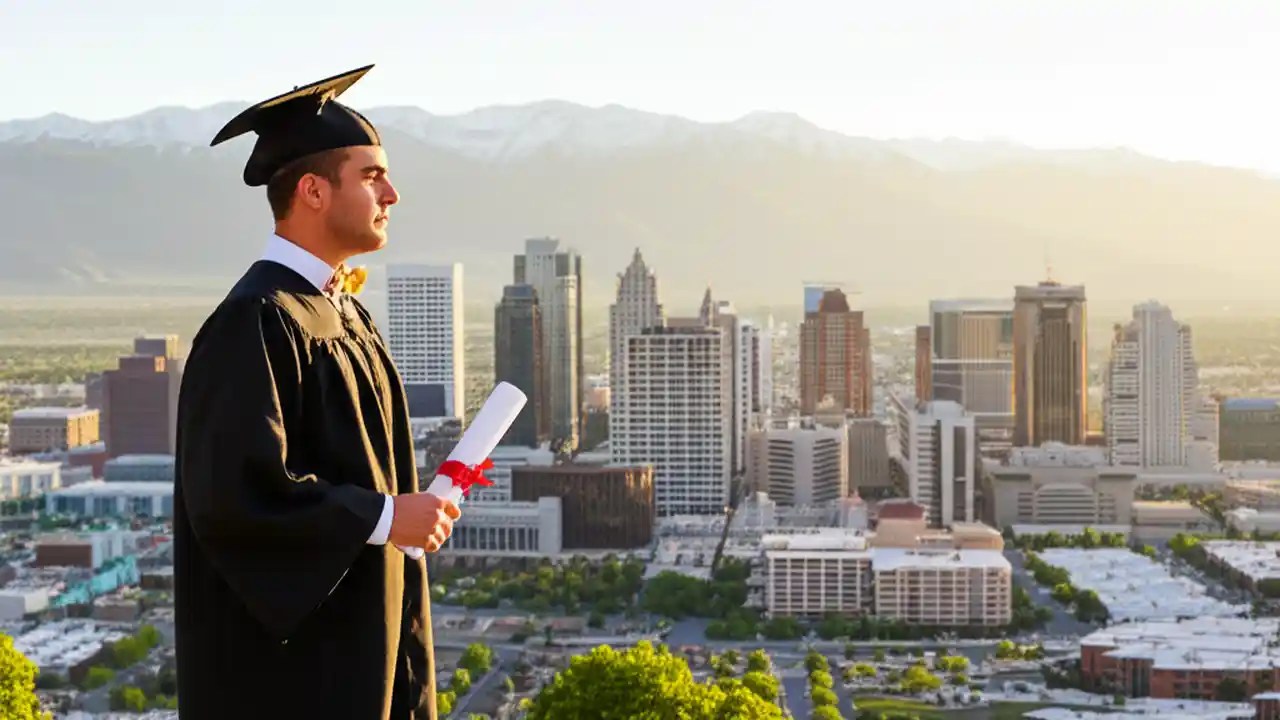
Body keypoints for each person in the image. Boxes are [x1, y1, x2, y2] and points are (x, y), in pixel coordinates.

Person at [173, 65, 457, 720]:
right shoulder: (256, 321)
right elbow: (234, 499)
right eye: (370, 174)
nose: (392, 193)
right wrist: (387, 517)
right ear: (312, 191)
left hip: (368, 645)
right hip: (298, 680)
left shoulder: (344, 313)